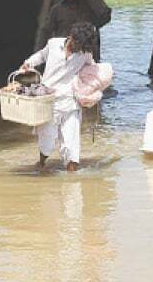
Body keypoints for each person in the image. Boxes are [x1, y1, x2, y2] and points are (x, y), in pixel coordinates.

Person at [21, 22, 97, 172]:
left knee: (71, 145)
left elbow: (92, 69)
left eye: (83, 47)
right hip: (47, 101)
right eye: (78, 44)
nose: (79, 49)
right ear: (71, 37)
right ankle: (42, 162)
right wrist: (28, 63)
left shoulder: (85, 54)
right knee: (47, 140)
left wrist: (93, 89)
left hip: (71, 102)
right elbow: (41, 56)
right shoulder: (54, 44)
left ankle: (72, 184)